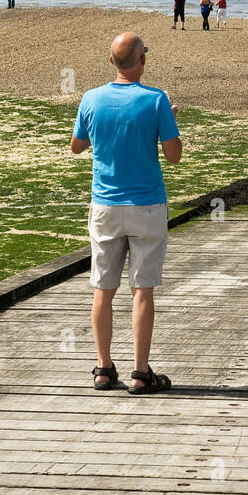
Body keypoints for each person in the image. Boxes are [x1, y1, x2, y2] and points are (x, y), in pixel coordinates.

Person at [70, 32, 182, 394]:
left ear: (111, 61)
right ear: (142, 60)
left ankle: (103, 368)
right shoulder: (156, 100)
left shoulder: (91, 98)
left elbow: (77, 146)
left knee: (103, 288)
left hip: (105, 204)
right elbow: (174, 154)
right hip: (147, 205)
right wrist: (167, 120)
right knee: (142, 290)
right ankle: (140, 372)